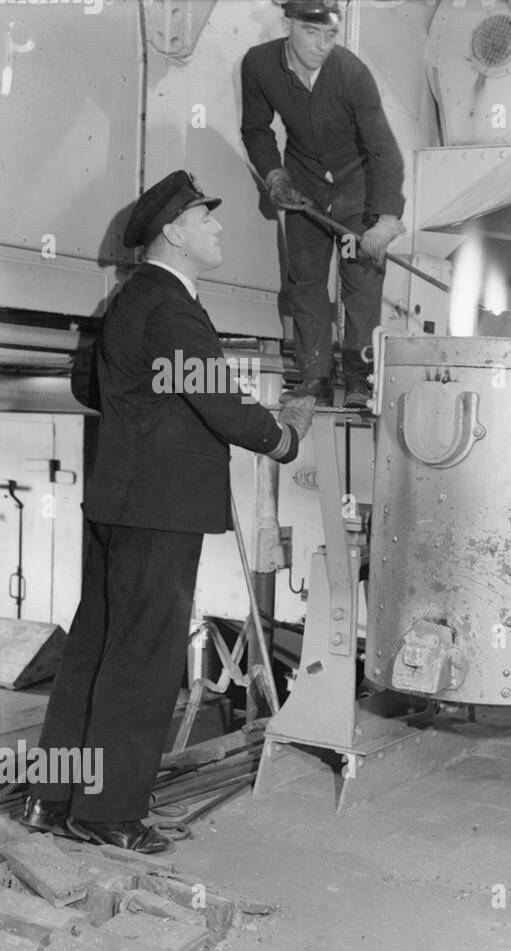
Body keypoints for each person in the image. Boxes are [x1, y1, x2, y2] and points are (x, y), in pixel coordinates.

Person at [17, 170, 316, 854]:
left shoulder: (127, 301)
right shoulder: (173, 305)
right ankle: (109, 813)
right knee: (144, 659)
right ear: (174, 231)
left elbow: (89, 384)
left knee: (95, 650)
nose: (216, 229)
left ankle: (52, 797)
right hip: (158, 512)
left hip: (116, 502)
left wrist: (146, 416)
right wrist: (282, 435)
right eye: (206, 219)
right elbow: (219, 400)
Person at [240, 0, 406, 409]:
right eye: (311, 33)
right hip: (305, 187)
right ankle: (314, 378)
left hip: (357, 187)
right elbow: (256, 130)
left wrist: (386, 221)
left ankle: (358, 380)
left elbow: (384, 151)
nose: (321, 45)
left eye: (330, 34)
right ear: (287, 24)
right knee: (306, 281)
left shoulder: (352, 73)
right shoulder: (259, 65)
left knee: (362, 284)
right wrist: (275, 176)